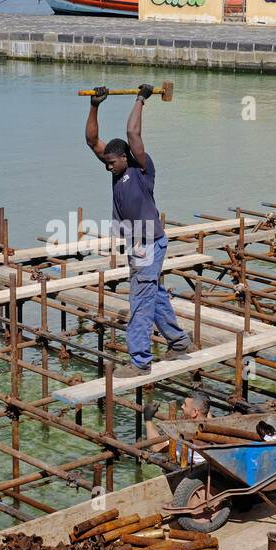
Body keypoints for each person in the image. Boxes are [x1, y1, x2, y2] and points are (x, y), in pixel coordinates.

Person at [84, 84, 195, 378]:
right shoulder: (115, 167)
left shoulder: (141, 169)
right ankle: (179, 342)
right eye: (106, 163)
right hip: (136, 244)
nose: (107, 168)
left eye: (111, 163)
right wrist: (95, 105)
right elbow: (92, 139)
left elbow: (133, 134)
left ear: (124, 158)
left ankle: (140, 361)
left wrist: (141, 99)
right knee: (153, 295)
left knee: (140, 301)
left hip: (150, 243)